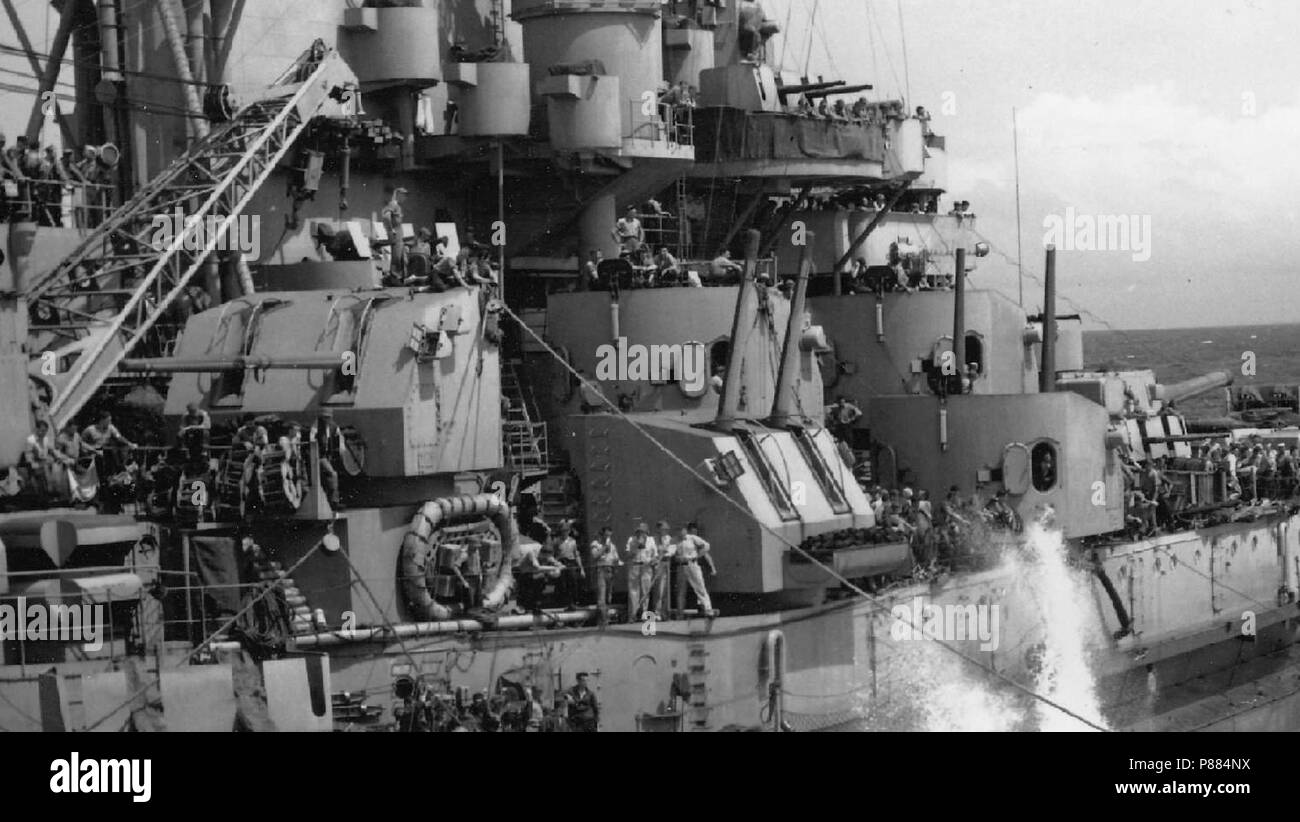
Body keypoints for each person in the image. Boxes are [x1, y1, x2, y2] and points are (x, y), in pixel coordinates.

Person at [81, 411, 138, 479]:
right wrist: (89, 450)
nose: (110, 422)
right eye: (108, 421)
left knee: (113, 449)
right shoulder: (90, 430)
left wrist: (129, 444)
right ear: (102, 420)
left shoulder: (110, 428)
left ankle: (119, 471)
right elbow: (81, 442)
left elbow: (119, 437)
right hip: (91, 453)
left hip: (104, 453)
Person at [675, 522, 715, 615]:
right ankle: (680, 613)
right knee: (681, 590)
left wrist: (698, 555)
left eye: (682, 529)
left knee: (700, 587)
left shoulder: (692, 538)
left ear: (685, 530)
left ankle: (708, 609)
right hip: (681, 566)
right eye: (678, 530)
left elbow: (706, 546)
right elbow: (673, 554)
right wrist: (677, 558)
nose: (680, 532)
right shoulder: (676, 541)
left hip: (692, 564)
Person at [309, 408, 344, 509]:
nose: (327, 420)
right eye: (325, 417)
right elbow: (312, 438)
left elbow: (339, 435)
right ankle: (334, 501)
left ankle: (329, 501)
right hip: (320, 456)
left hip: (329, 456)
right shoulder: (317, 425)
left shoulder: (333, 426)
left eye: (328, 417)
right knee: (333, 474)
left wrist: (341, 447)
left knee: (329, 478)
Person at [589, 525, 621, 626]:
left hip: (610, 570)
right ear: (601, 535)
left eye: (609, 536)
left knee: (609, 596)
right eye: (606, 535)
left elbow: (616, 558)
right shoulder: (595, 544)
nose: (608, 538)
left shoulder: (613, 546)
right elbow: (594, 556)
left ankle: (607, 616)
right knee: (601, 596)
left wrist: (616, 565)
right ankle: (602, 620)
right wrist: (604, 548)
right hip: (601, 570)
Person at [625, 521, 656, 622]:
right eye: (638, 532)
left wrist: (653, 561)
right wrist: (636, 547)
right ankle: (633, 614)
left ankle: (644, 613)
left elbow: (654, 555)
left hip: (646, 567)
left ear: (647, 532)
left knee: (645, 591)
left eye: (642, 532)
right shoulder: (631, 540)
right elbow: (627, 555)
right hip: (635, 565)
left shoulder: (651, 541)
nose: (640, 534)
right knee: (633, 591)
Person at [553, 523, 585, 607]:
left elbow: (576, 555)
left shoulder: (573, 541)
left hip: (571, 561)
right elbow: (553, 554)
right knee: (562, 583)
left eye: (566, 531)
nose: (565, 532)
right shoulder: (557, 541)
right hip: (561, 561)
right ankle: (563, 601)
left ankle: (573, 601)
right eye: (563, 531)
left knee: (573, 581)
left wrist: (581, 568)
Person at [650, 520, 677, 617]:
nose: (666, 531)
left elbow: (672, 551)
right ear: (658, 529)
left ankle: (664, 613)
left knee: (664, 590)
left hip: (666, 565)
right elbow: (652, 551)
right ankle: (657, 612)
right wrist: (662, 550)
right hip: (656, 566)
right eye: (664, 529)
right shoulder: (652, 539)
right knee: (658, 590)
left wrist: (664, 551)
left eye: (667, 529)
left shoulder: (669, 539)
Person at [381, 186, 408, 277]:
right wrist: (390, 229)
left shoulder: (397, 206)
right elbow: (386, 216)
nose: (405, 198)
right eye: (404, 195)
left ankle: (397, 276)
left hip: (399, 234)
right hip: (396, 235)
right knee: (396, 256)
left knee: (399, 256)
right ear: (398, 195)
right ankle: (394, 277)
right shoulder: (394, 204)